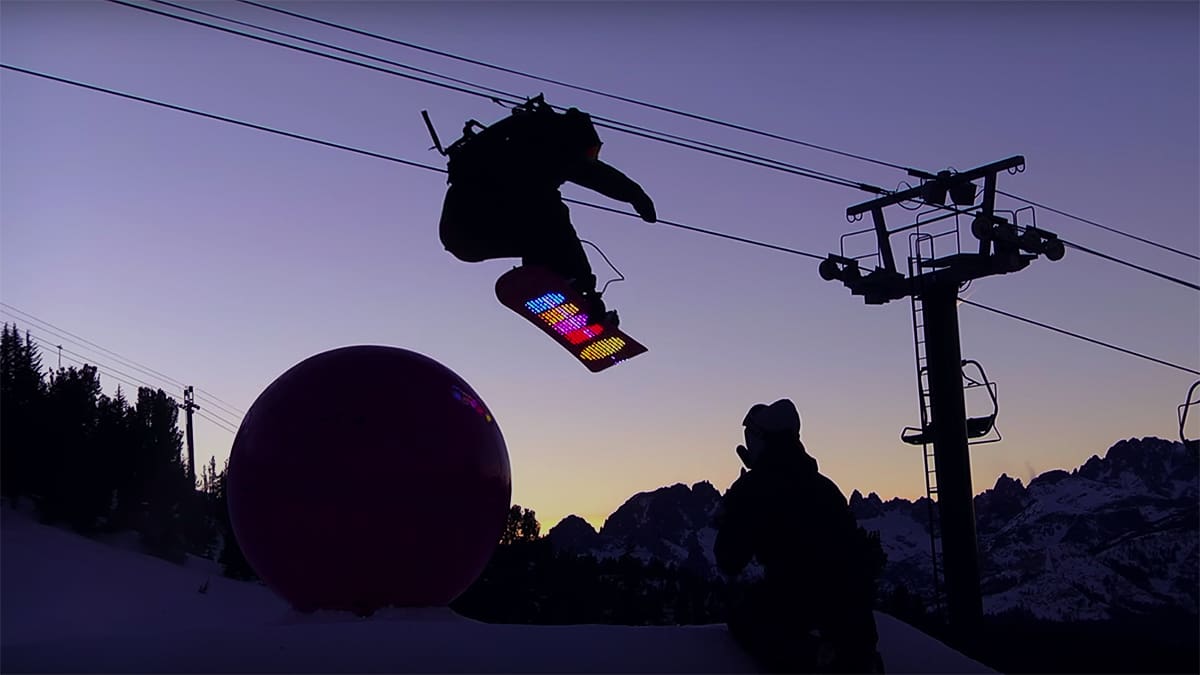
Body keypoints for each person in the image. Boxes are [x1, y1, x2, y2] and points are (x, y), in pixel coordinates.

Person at [437, 95, 656, 322]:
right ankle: (573, 285)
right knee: (550, 212)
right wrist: (636, 196)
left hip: (464, 236)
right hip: (474, 224)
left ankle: (550, 275)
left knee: (540, 226)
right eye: (589, 154)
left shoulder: (523, 153)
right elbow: (595, 175)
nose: (589, 160)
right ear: (573, 143)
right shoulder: (544, 149)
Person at [714, 399, 884, 673]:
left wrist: (732, 511)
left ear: (760, 440)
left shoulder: (756, 489)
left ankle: (816, 657)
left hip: (796, 608)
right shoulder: (826, 488)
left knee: (743, 613)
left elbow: (729, 559)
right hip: (853, 617)